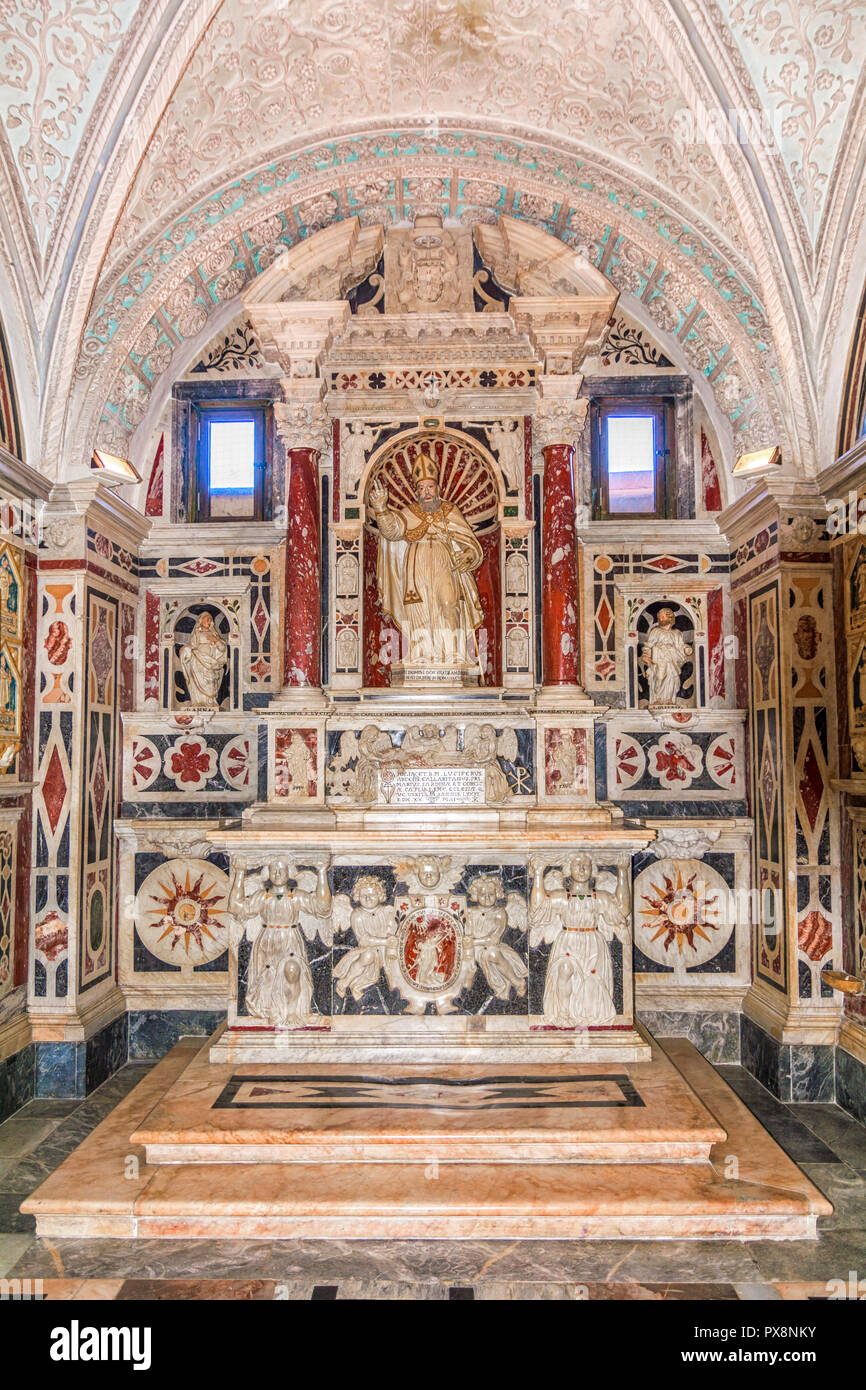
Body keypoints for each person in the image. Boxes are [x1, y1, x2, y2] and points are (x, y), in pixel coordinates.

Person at [368, 452, 483, 669]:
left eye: (430, 487)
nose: (426, 492)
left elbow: (469, 541)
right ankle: (420, 653)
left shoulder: (450, 511)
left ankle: (453, 654)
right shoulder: (409, 513)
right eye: (422, 489)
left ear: (438, 489)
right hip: (416, 564)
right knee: (418, 608)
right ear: (417, 492)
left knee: (449, 603)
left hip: (444, 562)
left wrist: (468, 555)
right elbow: (392, 532)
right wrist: (381, 508)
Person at [529, 854, 629, 1027]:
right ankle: (563, 1012)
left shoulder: (600, 897)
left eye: (586, 865)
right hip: (568, 940)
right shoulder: (561, 896)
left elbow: (622, 911)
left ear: (593, 870)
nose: (582, 869)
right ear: (568, 869)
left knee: (591, 981)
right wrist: (538, 873)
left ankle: (585, 1017)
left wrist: (622, 872)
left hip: (592, 942)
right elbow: (538, 909)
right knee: (565, 969)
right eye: (577, 865)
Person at [229, 859, 330, 1028]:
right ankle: (273, 1012)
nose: (277, 874)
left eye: (281, 870)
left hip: (289, 938)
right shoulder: (263, 895)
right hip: (267, 941)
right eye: (273, 870)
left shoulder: (295, 895)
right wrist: (239, 872)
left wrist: (321, 873)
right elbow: (236, 908)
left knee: (292, 971)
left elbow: (322, 907)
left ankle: (292, 1012)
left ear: (289, 873)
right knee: (268, 976)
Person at [640, 607, 691, 706]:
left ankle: (668, 699)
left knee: (672, 678)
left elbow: (680, 646)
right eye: (660, 617)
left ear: (670, 617)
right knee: (659, 677)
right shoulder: (655, 632)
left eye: (663, 617)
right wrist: (646, 656)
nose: (661, 619)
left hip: (672, 660)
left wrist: (686, 649)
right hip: (659, 659)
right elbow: (648, 645)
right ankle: (658, 699)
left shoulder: (676, 633)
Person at [179, 612, 227, 707]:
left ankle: (210, 702)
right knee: (197, 681)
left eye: (210, 620)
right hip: (197, 661)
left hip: (211, 663)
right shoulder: (196, 634)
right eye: (207, 619)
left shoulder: (214, 634)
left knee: (210, 682)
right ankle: (198, 702)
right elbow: (192, 647)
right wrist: (185, 650)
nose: (209, 622)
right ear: (200, 621)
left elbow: (222, 648)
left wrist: (216, 640)